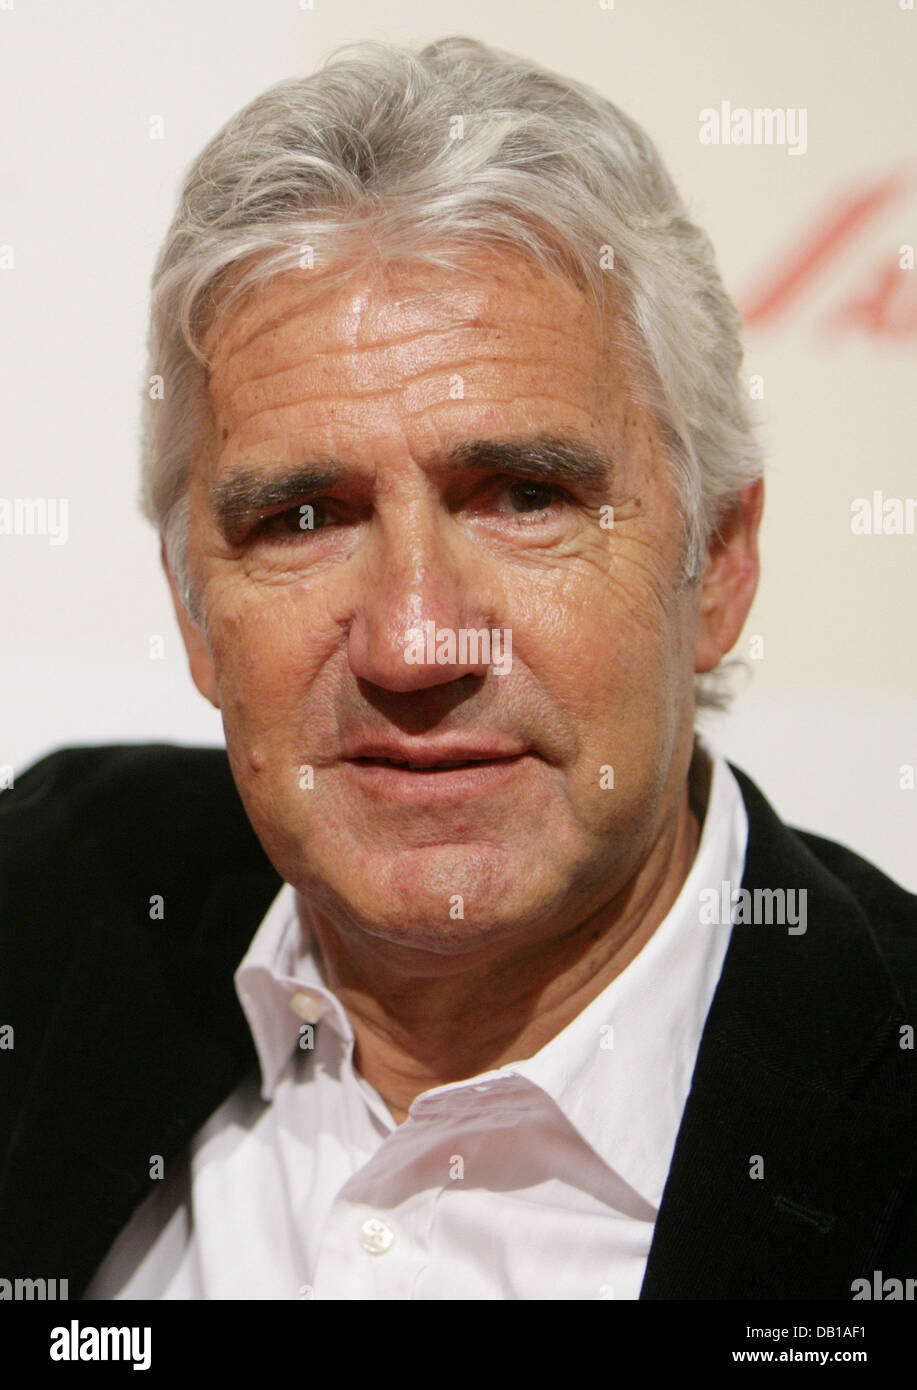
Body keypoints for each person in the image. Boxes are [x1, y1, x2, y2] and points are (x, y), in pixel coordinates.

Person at [1, 35, 914, 1302]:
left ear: (716, 565)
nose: (415, 641)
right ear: (195, 614)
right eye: (303, 518)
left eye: (524, 496)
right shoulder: (43, 904)